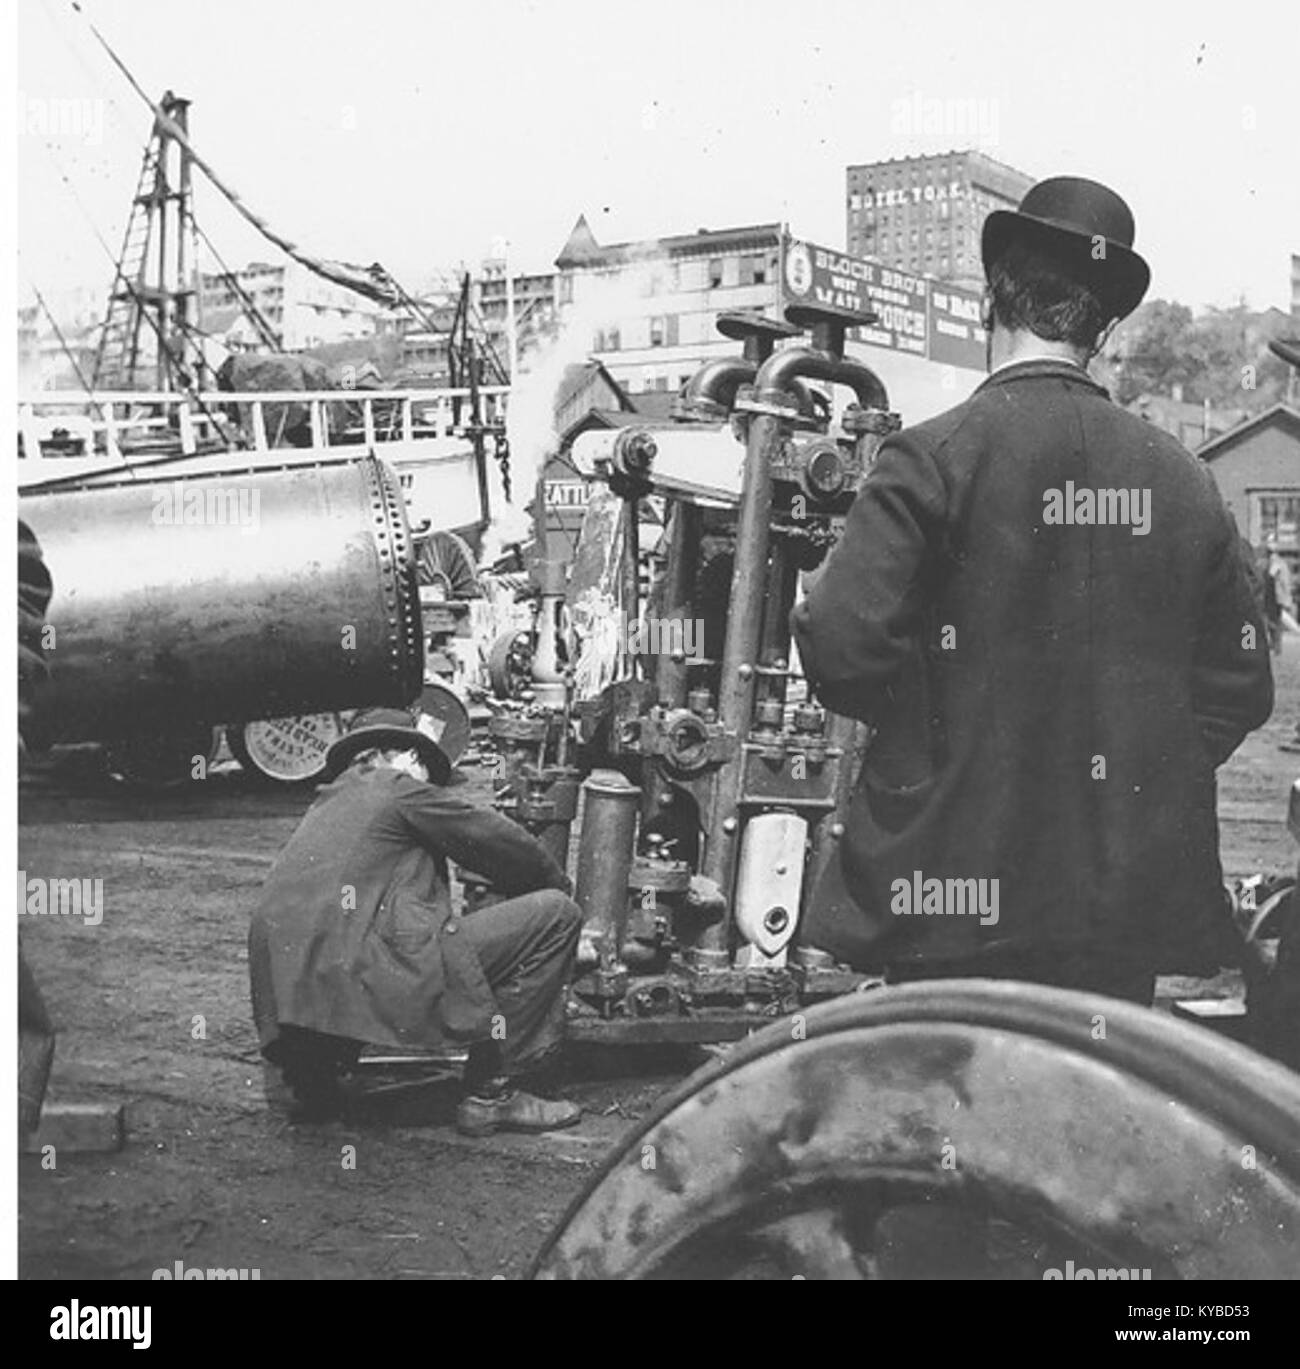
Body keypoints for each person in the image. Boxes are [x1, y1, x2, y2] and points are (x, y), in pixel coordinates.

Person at [792, 176, 1274, 1006]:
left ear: (992, 299)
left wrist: (935, 751)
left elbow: (840, 643)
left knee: (956, 1111)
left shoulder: (930, 457)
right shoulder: (1187, 482)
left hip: (947, 886)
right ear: (1106, 324)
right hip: (1118, 899)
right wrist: (1141, 769)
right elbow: (1239, 688)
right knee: (1083, 1116)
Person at [248, 707, 583, 1133]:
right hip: (357, 970)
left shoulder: (328, 802)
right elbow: (495, 840)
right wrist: (554, 883)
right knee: (556, 916)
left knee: (347, 937)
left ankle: (316, 1082)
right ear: (404, 756)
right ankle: (491, 1094)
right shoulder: (396, 786)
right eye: (425, 764)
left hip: (286, 991)